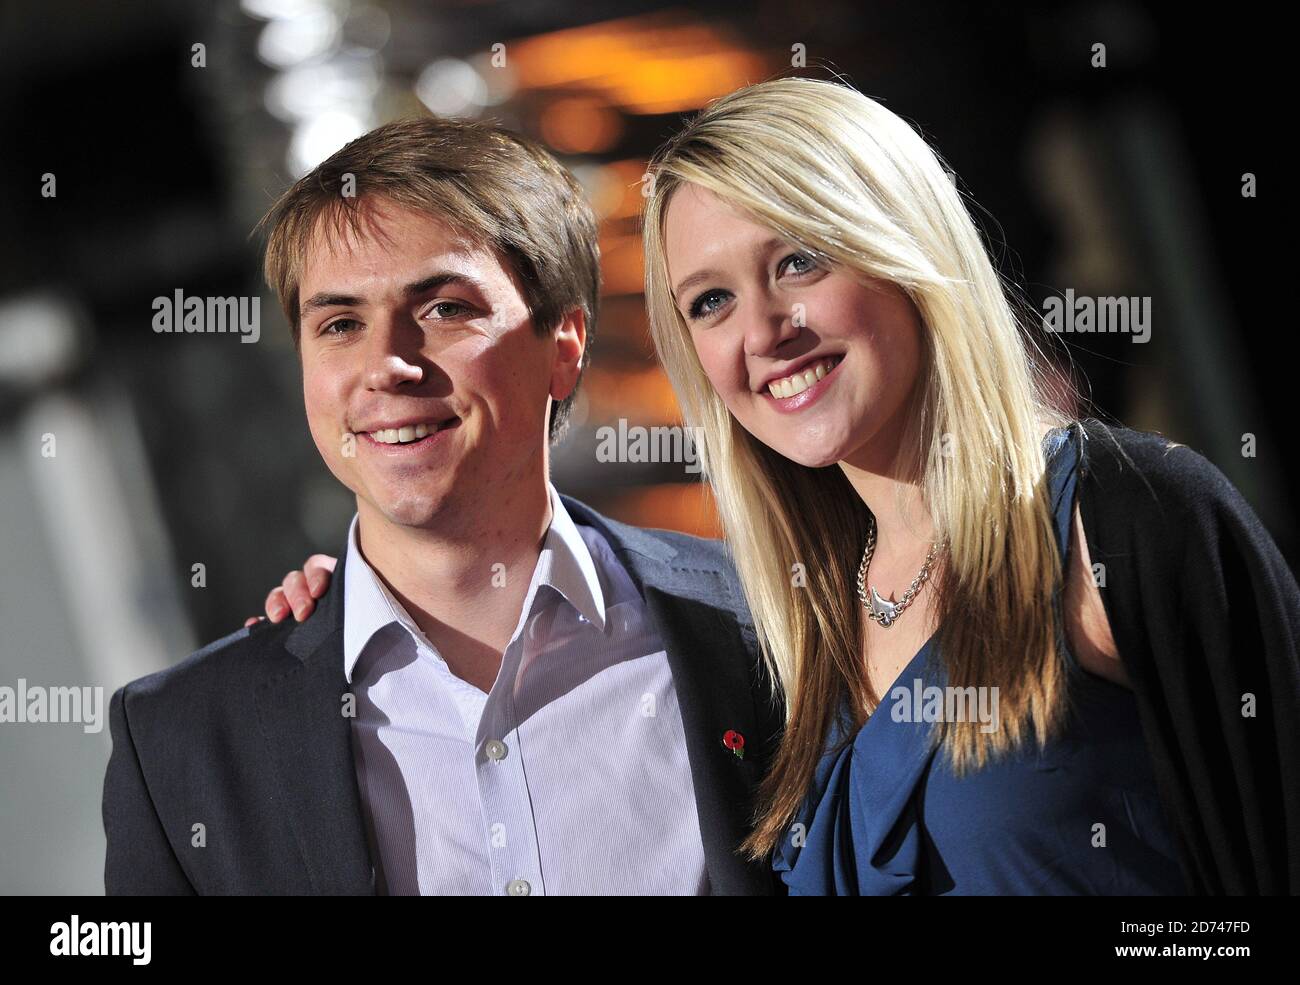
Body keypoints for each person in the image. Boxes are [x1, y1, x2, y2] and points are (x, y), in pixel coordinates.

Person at [273, 80, 1300, 895]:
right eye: (712, 301)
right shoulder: (780, 627)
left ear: (905, 247)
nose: (763, 332)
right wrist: (361, 604)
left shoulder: (1124, 515)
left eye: (799, 261)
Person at [102, 117, 783, 896]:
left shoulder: (767, 625)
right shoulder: (181, 745)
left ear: (564, 346)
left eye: (443, 310)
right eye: (340, 323)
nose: (385, 364)